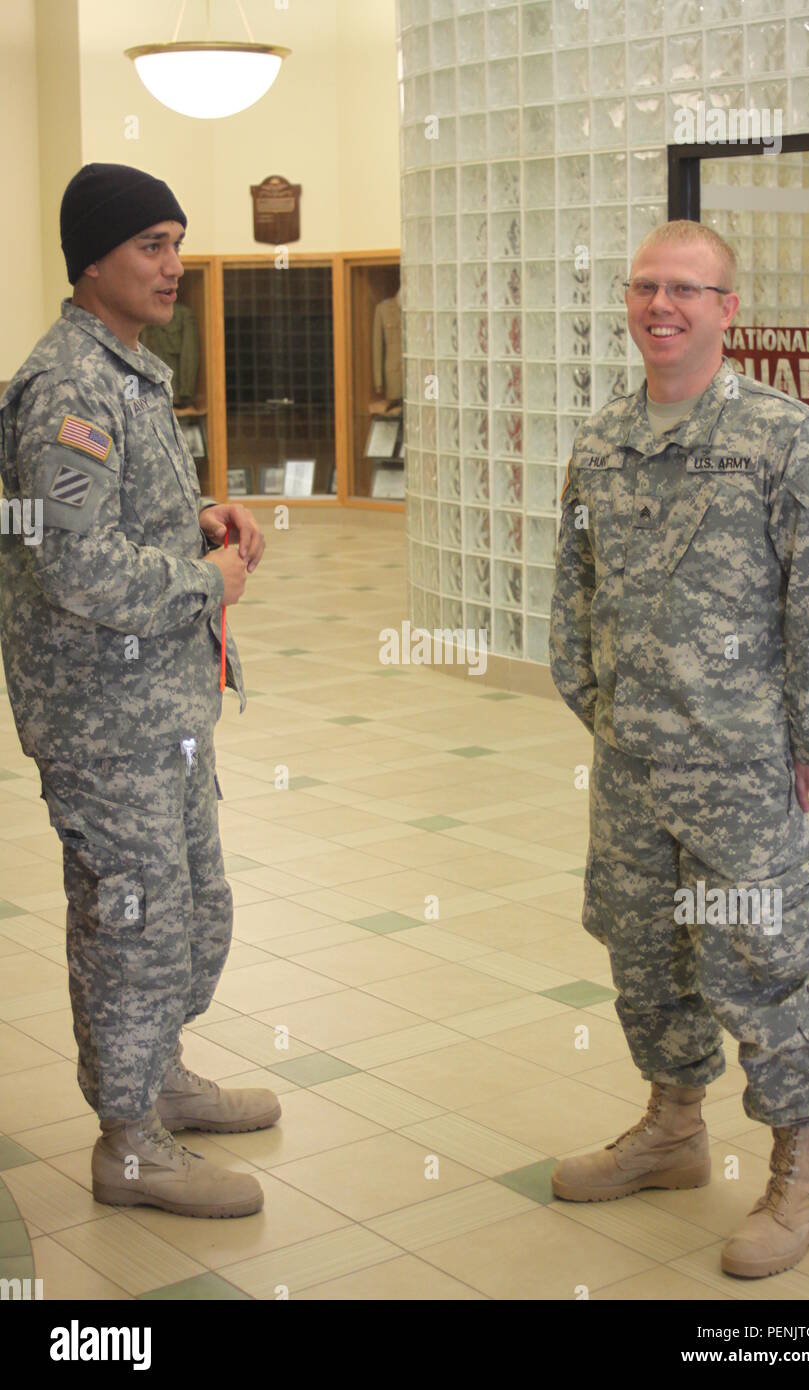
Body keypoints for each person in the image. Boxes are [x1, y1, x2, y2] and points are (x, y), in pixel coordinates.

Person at [549, 219, 809, 1279]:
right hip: (632, 765)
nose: (660, 306)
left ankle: (801, 1173)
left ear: (729, 309)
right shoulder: (600, 442)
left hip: (738, 770)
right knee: (642, 958)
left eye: (687, 289)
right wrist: (593, 699)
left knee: (756, 970)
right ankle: (673, 1131)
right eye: (645, 286)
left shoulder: (792, 444)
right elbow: (572, 589)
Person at [0, 163, 278, 1220]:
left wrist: (203, 520)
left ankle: (156, 1076)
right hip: (101, 716)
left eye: (177, 242)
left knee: (192, 910)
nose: (174, 266)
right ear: (92, 261)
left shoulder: (128, 370)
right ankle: (127, 1142)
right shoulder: (69, 384)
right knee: (132, 922)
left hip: (159, 707)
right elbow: (75, 572)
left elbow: (118, 522)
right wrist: (205, 581)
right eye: (151, 246)